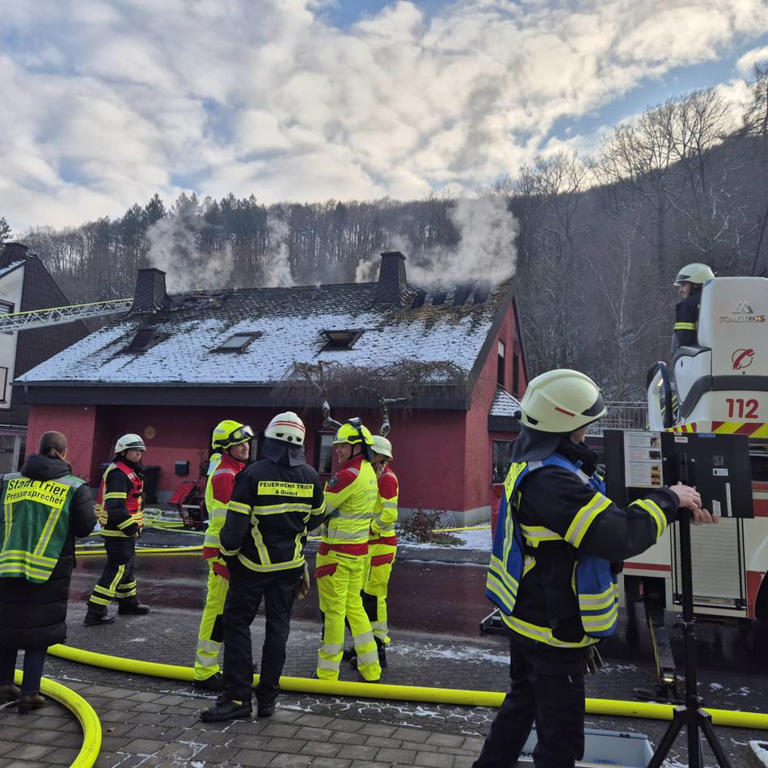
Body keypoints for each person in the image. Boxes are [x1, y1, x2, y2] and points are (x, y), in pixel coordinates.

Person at [474, 369, 717, 768]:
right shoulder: (551, 481)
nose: (589, 430)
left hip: (529, 620)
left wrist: (676, 508)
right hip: (554, 631)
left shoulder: (539, 460)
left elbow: (607, 508)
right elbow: (617, 534)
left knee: (519, 712)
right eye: (586, 423)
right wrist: (669, 500)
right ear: (567, 424)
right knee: (561, 743)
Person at [200, 412, 325, 722]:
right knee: (277, 630)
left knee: (237, 625)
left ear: (270, 439)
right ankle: (268, 699)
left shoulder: (252, 474)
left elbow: (233, 530)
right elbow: (318, 518)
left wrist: (229, 555)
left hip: (251, 568)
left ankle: (238, 697)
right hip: (290, 569)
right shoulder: (311, 477)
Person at [0, 431, 96, 713]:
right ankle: (29, 693)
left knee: (7, 625)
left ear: (38, 450)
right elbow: (84, 526)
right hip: (48, 570)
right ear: (63, 453)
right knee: (37, 632)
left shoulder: (8, 481)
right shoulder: (74, 486)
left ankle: (4, 683)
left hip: (6, 564)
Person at [316, 419, 381, 683]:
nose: (338, 450)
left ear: (357, 448)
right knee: (355, 608)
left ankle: (327, 672)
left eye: (343, 445)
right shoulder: (368, 473)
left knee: (334, 613)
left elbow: (320, 509)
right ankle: (371, 668)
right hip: (356, 554)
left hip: (336, 555)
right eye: (337, 445)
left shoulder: (346, 475)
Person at [193, 420, 253, 692]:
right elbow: (235, 517)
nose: (246, 446)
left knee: (230, 610)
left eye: (246, 441)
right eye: (239, 443)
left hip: (227, 551)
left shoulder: (231, 469)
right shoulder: (225, 475)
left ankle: (231, 661)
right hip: (223, 553)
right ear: (226, 447)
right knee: (217, 612)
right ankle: (205, 671)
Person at [84, 433, 150, 625]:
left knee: (127, 567)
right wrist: (130, 528)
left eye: (140, 451)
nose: (139, 454)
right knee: (117, 569)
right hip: (118, 531)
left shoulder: (128, 471)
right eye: (135, 451)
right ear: (123, 452)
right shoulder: (118, 474)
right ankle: (95, 611)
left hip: (124, 531)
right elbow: (115, 506)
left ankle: (128, 602)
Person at [359, 435, 399, 669]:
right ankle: (367, 645)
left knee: (374, 598)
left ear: (382, 456)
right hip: (373, 545)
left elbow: (389, 515)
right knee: (367, 596)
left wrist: (370, 528)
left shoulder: (386, 478)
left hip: (381, 545)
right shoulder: (376, 475)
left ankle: (378, 646)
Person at [673, 262, 714, 350]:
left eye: (683, 285)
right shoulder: (721, 301)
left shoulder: (686, 305)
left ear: (695, 285)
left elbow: (684, 340)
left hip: (700, 358)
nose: (680, 290)